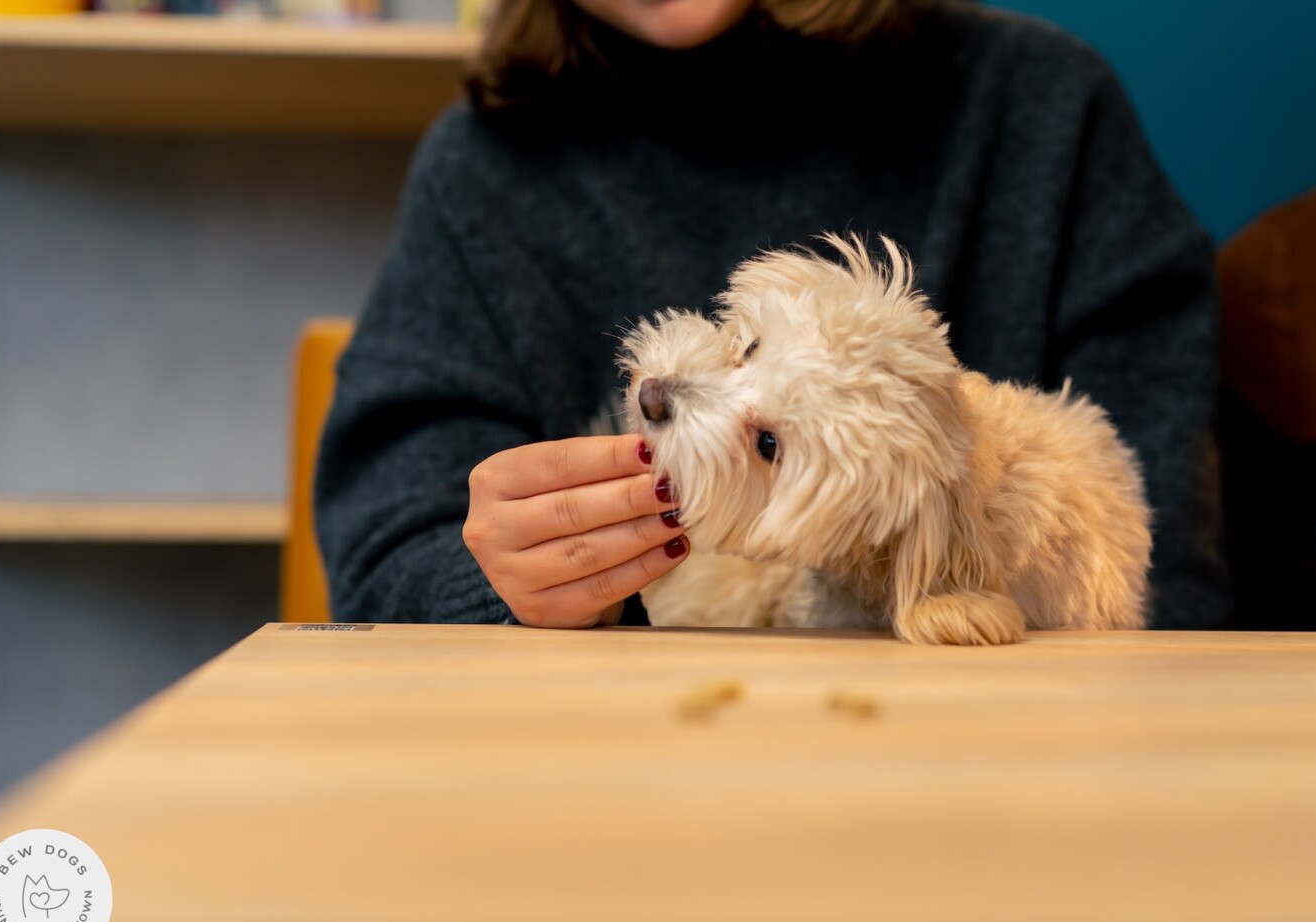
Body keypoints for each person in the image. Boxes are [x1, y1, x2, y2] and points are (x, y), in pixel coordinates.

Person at [315, 0, 1232, 631]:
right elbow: (385, 554)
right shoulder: (483, 171)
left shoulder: (1046, 117)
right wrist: (499, 584)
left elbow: (1158, 580)